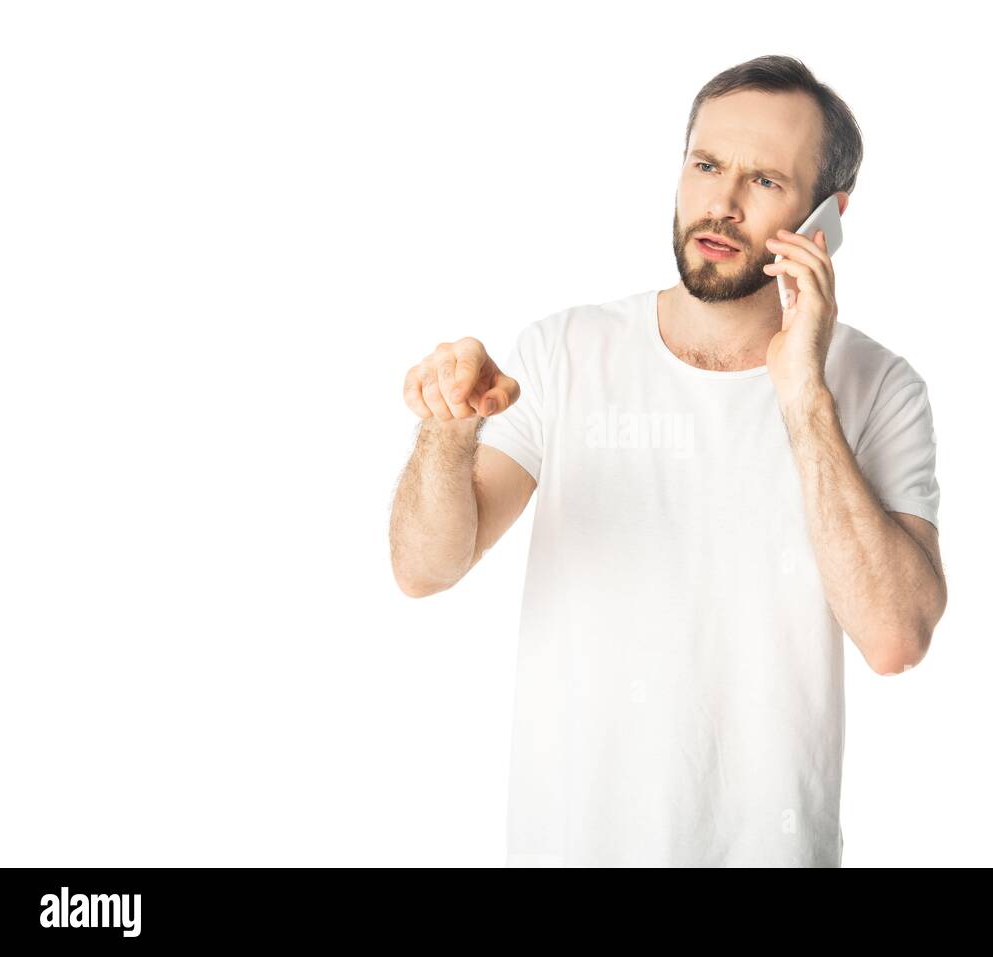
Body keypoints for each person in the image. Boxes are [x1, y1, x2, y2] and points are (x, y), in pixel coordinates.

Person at [389, 54, 947, 867]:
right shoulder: (566, 351)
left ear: (828, 216)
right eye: (707, 164)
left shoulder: (879, 388)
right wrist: (446, 428)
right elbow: (423, 567)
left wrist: (802, 394)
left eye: (764, 182)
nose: (718, 203)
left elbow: (897, 637)